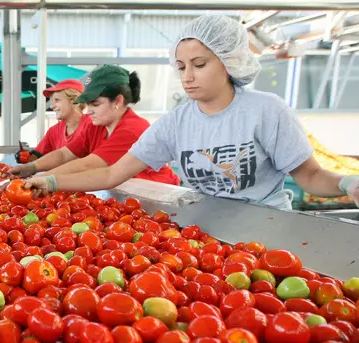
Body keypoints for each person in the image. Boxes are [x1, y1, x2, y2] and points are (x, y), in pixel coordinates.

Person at [25, 15, 359, 209]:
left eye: (199, 64)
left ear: (228, 62)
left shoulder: (266, 112)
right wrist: (50, 181)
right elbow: (113, 174)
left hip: (268, 226)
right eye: (181, 66)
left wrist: (347, 183)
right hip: (208, 227)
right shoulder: (176, 122)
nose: (187, 75)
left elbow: (311, 177)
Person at [11, 65, 179, 185]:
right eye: (88, 104)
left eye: (95, 104)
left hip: (157, 196)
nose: (88, 111)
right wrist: (32, 167)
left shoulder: (133, 129)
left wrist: (41, 180)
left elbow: (88, 165)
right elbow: (64, 155)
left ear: (118, 101)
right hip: (124, 193)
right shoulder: (96, 126)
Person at [15, 79, 88, 163]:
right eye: (51, 101)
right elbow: (37, 157)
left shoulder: (93, 127)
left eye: (56, 100)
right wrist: (25, 157)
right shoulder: (54, 131)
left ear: (74, 100)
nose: (52, 106)